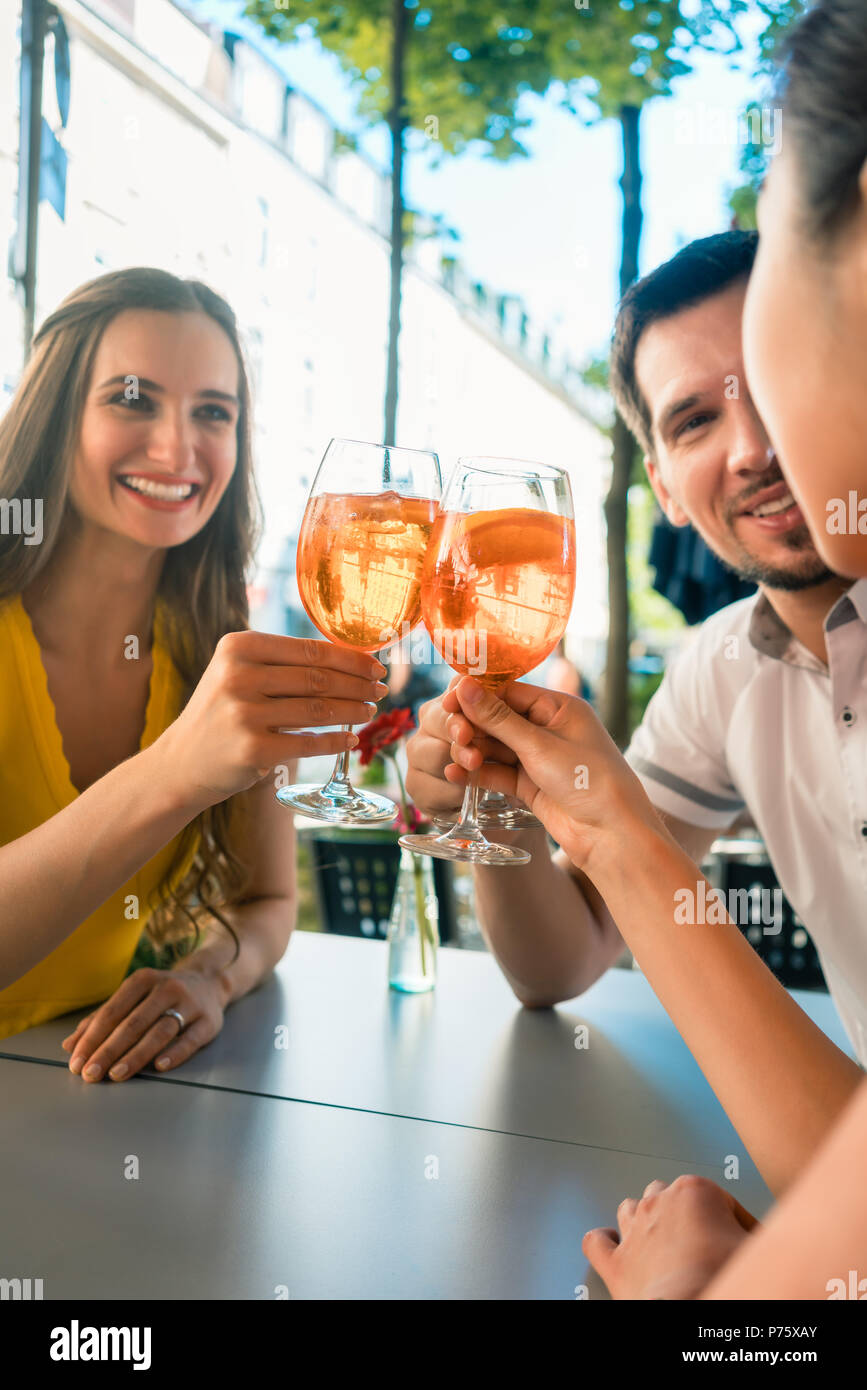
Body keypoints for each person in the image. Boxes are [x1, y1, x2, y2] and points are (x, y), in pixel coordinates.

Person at [427, 0, 867, 1299]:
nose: (750, 442)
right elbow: (559, 962)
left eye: (764, 369)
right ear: (662, 489)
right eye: (689, 419)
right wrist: (500, 804)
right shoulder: (728, 669)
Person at [0, 268, 387, 1082]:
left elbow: (266, 904)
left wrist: (207, 974)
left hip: (94, 1104)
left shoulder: (217, 652)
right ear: (54, 414)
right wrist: (175, 771)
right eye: (132, 399)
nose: (178, 449)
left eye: (213, 412)